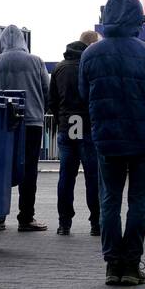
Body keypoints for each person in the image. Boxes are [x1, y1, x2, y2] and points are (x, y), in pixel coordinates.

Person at [78, 0, 145, 287]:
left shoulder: (90, 54)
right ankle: (132, 265)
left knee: (109, 201)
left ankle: (112, 265)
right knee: (139, 202)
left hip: (107, 140)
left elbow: (85, 95)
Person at [0, 25, 50, 231]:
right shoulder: (36, 61)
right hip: (32, 122)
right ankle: (26, 217)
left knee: (0, 168)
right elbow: (47, 89)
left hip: (2, 123)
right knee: (29, 170)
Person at [49, 39, 100, 236]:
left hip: (66, 126)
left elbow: (52, 99)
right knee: (92, 177)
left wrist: (61, 117)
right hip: (87, 126)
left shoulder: (59, 68)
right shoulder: (88, 66)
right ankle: (96, 223)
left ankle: (64, 223)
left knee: (66, 176)